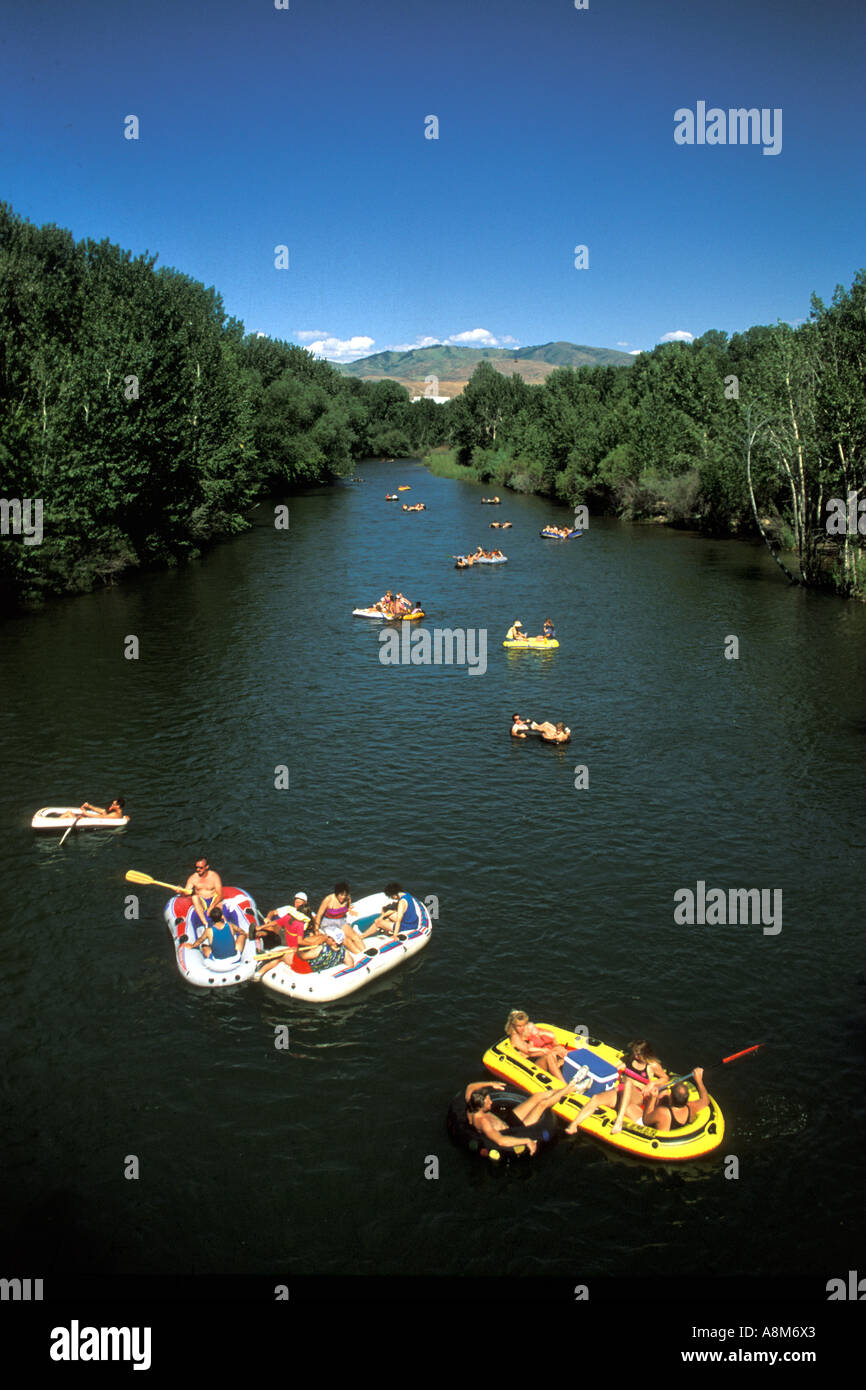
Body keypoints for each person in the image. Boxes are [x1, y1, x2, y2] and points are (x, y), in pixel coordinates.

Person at [464, 1080, 577, 1154]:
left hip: (508, 1121)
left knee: (537, 1097)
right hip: (515, 1131)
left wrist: (492, 1084)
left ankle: (571, 1088)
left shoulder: (471, 1104)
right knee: (542, 1105)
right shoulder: (483, 1122)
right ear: (480, 1105)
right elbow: (501, 1141)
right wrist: (527, 1141)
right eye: (488, 1102)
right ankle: (570, 1089)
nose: (491, 1102)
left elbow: (470, 1086)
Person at [506, 1011, 569, 1082]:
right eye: (519, 1026)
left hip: (537, 1059)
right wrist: (546, 1051)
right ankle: (563, 1084)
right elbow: (529, 1053)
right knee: (549, 1056)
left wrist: (554, 1049)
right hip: (532, 1066)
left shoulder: (524, 1033)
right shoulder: (515, 1038)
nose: (522, 1028)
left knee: (559, 1049)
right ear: (513, 1025)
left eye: (523, 1025)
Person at [643, 1067, 709, 1131]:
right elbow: (706, 1100)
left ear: (671, 1097)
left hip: (659, 1138)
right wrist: (699, 1081)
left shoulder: (663, 1113)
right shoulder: (691, 1107)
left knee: (632, 1107)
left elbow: (646, 1120)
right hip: (675, 1132)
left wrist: (653, 1098)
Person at [315, 883, 366, 955]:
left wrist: (349, 910)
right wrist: (316, 930)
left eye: (345, 895)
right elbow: (319, 915)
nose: (343, 897)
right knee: (345, 940)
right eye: (341, 895)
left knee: (355, 936)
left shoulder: (347, 898)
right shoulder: (328, 899)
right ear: (337, 894)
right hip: (328, 923)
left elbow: (349, 900)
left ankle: (365, 952)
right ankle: (361, 956)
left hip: (341, 921)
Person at [183, 857, 224, 928]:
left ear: (207, 867)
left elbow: (220, 895)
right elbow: (186, 892)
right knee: (194, 897)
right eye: (196, 867)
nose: (198, 869)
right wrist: (180, 891)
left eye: (200, 868)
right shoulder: (193, 878)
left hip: (214, 899)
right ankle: (205, 923)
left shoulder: (214, 876)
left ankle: (223, 924)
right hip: (202, 901)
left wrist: (211, 907)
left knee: (219, 903)